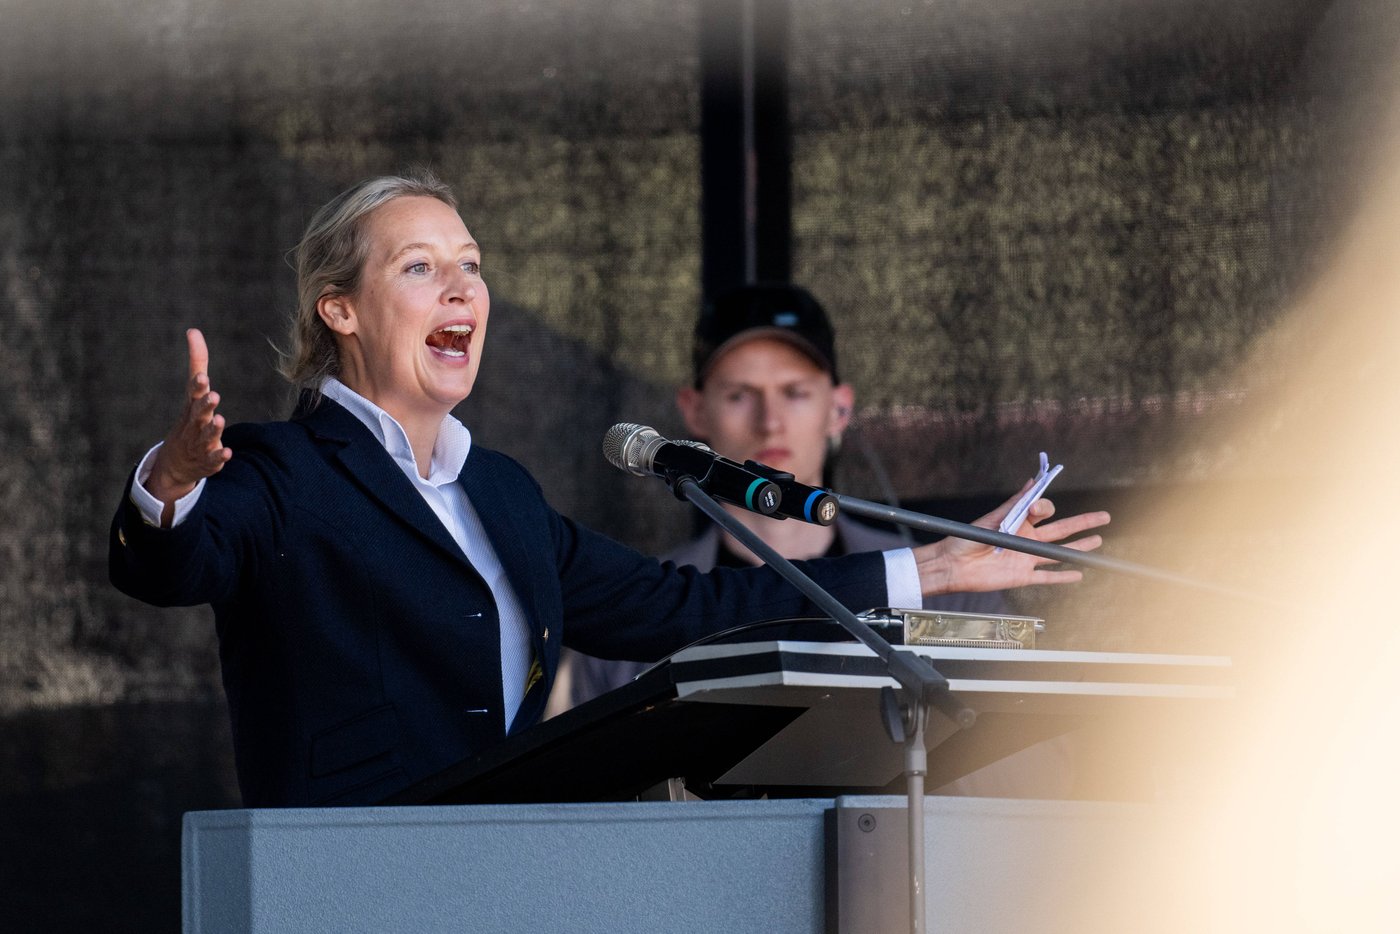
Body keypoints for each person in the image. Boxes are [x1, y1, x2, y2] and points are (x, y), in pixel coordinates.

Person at [109, 171, 1108, 808]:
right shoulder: (279, 470)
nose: (461, 288)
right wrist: (173, 479)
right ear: (341, 311)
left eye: (471, 266)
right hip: (340, 887)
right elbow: (172, 563)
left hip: (500, 877)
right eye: (419, 268)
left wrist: (928, 569)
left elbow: (686, 610)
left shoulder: (500, 492)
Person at [552, 284, 1013, 713]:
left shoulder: (954, 596)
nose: (769, 422)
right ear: (694, 409)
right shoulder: (636, 611)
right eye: (739, 395)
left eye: (795, 392)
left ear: (839, 408)